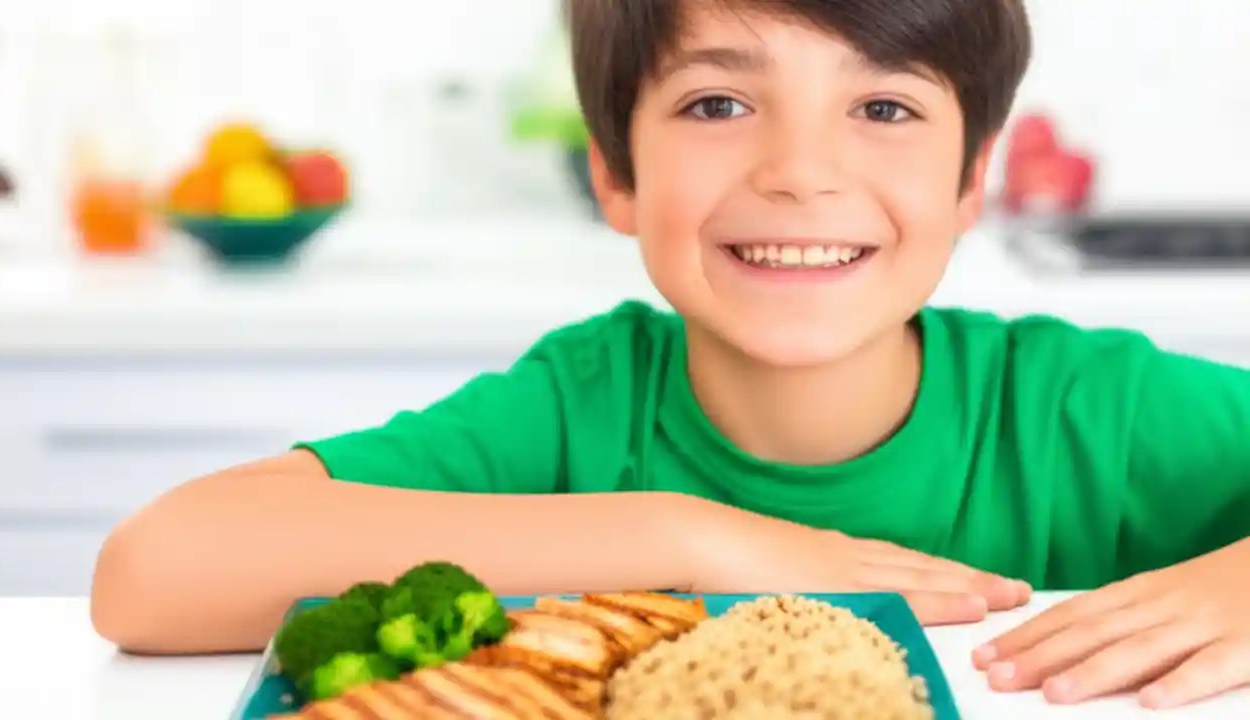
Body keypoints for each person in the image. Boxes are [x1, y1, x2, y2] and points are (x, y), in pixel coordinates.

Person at [90, 0, 1250, 709]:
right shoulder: (578, 409)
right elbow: (153, 571)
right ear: (612, 174)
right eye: (714, 105)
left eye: (883, 109)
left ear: (969, 180)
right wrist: (680, 536)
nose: (800, 171)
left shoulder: (1076, 409)